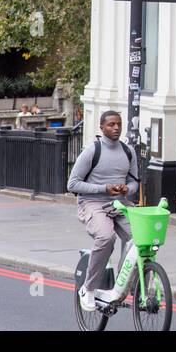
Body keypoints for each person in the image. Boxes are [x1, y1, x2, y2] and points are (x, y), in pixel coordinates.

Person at [66, 110, 139, 311]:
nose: (116, 128)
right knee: (107, 238)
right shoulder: (92, 151)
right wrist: (103, 188)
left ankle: (122, 286)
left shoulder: (128, 151)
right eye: (111, 124)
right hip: (93, 203)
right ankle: (88, 289)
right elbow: (72, 184)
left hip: (119, 204)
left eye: (119, 124)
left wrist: (127, 188)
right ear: (102, 127)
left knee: (141, 239)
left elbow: (134, 183)